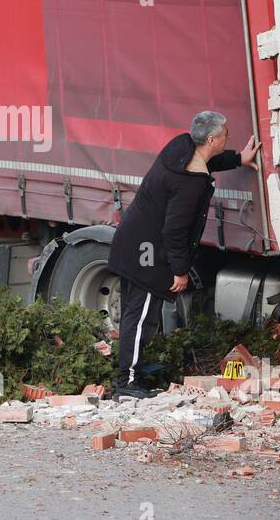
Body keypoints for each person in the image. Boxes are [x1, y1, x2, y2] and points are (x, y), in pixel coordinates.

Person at [106, 111, 260, 399]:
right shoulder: (189, 182)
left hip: (136, 241)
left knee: (135, 314)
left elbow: (210, 159)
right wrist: (179, 270)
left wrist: (239, 158)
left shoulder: (182, 147)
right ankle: (126, 384)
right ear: (212, 139)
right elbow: (175, 231)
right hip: (147, 252)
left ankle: (133, 373)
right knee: (140, 318)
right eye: (225, 135)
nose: (229, 137)